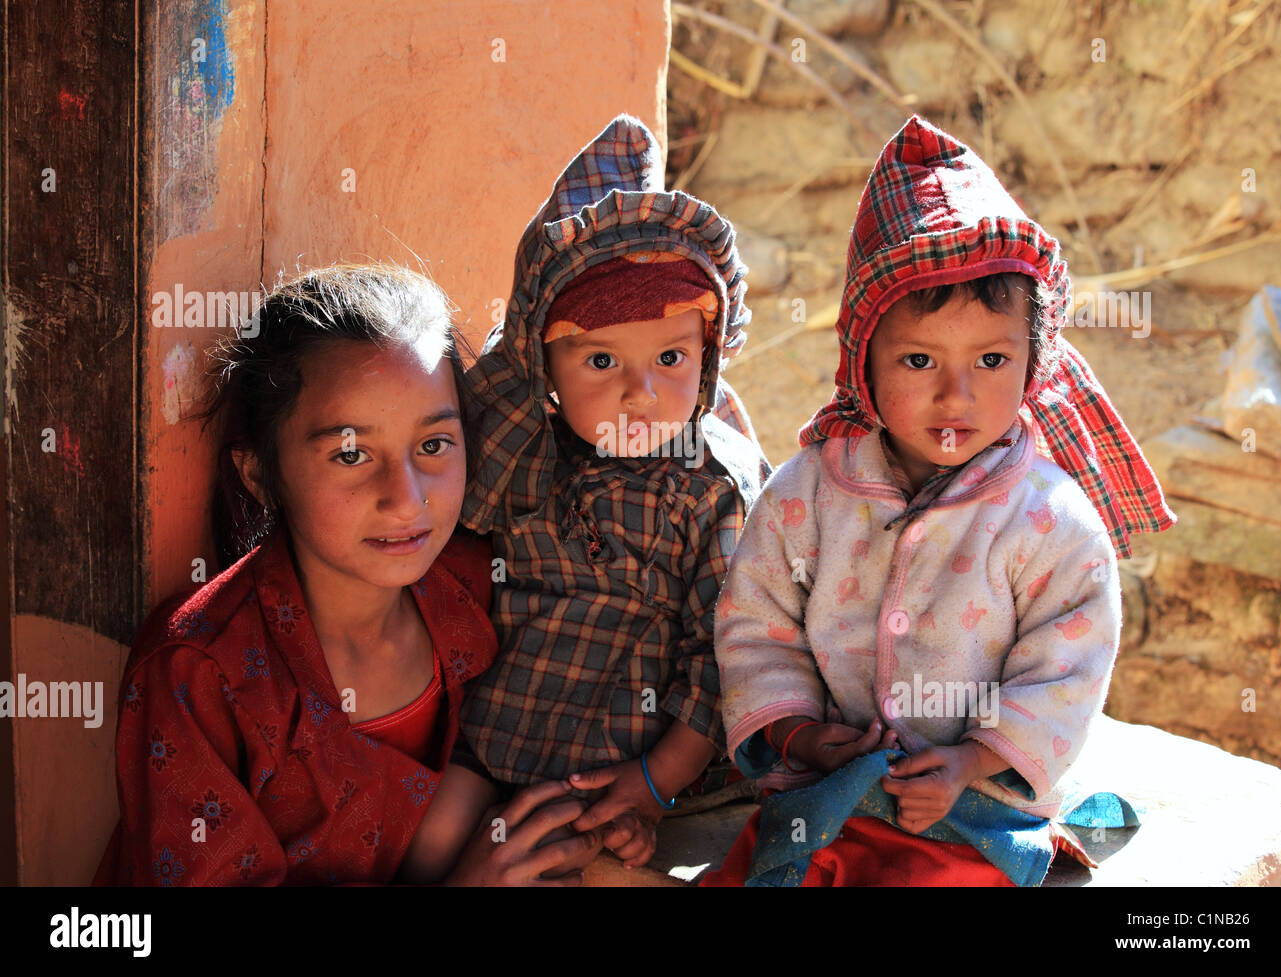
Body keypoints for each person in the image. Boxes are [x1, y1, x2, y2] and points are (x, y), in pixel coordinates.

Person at [703, 116, 1173, 886]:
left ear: (1032, 363)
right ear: (862, 361)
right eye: (918, 359)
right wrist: (798, 736)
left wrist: (970, 762)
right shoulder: (807, 495)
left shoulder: (1051, 521)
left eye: (991, 358)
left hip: (976, 815)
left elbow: (1067, 669)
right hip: (826, 795)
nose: (957, 393)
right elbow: (757, 626)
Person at [94, 264, 607, 885]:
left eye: (435, 444)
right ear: (260, 474)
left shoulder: (479, 589)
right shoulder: (200, 673)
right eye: (350, 454)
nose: (405, 498)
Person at [455, 115, 771, 869]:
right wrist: (520, 379)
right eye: (599, 359)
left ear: (709, 356)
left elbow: (717, 664)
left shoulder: (713, 488)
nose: (641, 393)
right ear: (544, 368)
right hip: (493, 740)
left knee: (593, 863)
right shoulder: (531, 448)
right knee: (435, 839)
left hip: (622, 763)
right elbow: (462, 501)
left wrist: (651, 789)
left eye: (671, 356)